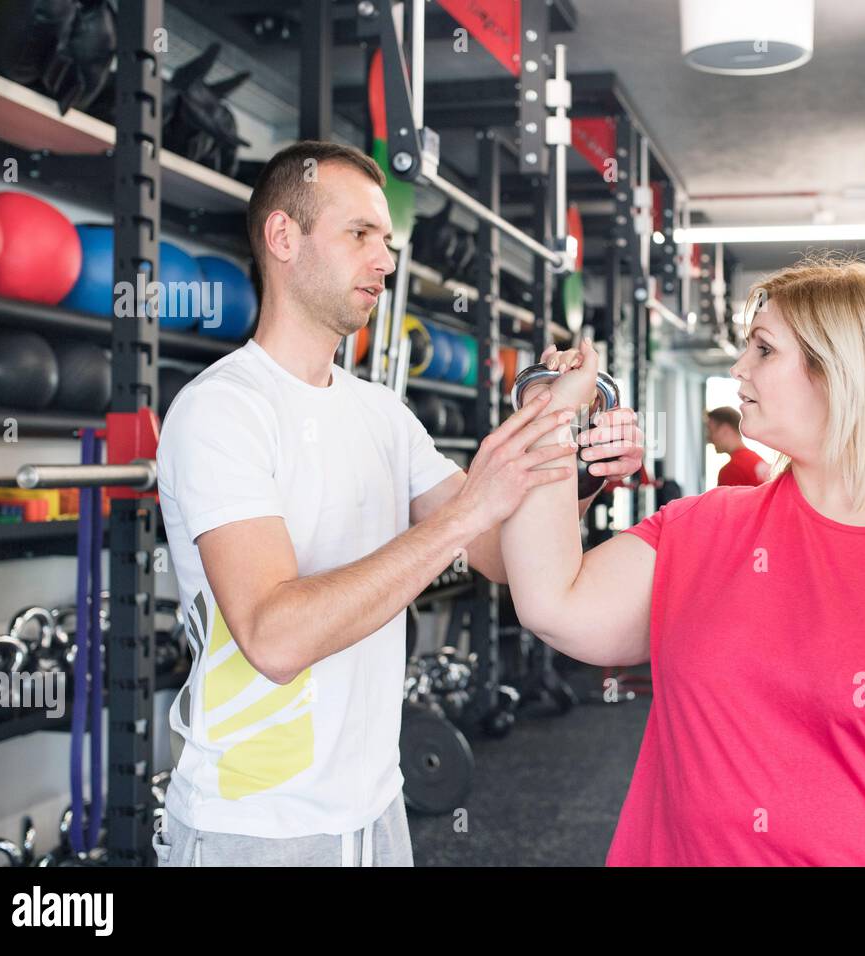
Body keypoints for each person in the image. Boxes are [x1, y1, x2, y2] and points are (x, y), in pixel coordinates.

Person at [500, 256, 865, 866]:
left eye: (763, 349)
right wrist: (550, 415)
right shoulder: (704, 529)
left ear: (837, 370)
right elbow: (553, 602)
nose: (739, 368)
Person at [154, 140, 644, 867]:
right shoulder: (222, 411)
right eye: (360, 235)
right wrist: (469, 510)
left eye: (387, 240)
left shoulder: (382, 414)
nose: (385, 260)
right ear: (283, 237)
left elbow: (497, 555)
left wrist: (571, 452)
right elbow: (274, 638)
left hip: (377, 807)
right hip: (259, 825)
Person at [706, 405, 770, 486]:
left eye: (711, 431)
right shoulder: (757, 461)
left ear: (725, 430)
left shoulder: (732, 470)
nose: (709, 439)